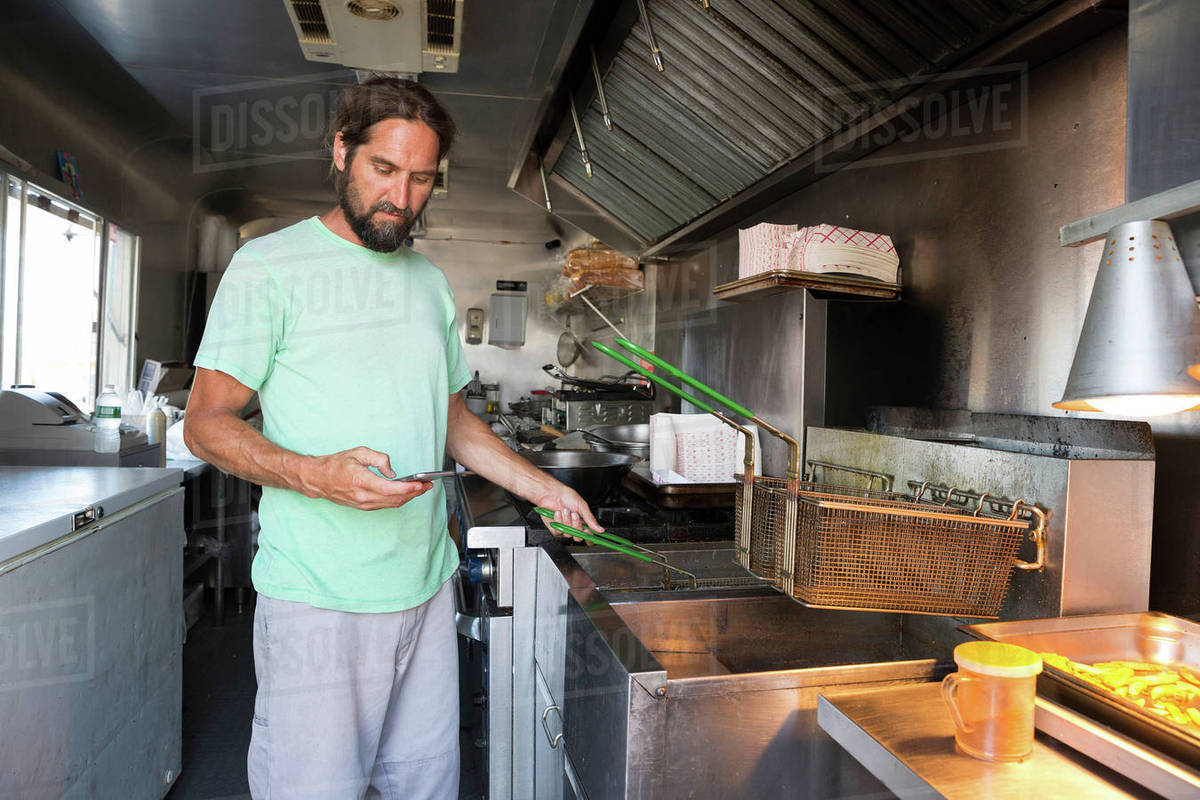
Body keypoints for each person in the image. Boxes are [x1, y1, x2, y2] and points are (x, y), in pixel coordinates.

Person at [183, 76, 601, 800]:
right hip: (319, 601)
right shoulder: (268, 267)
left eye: (421, 179)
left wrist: (545, 488)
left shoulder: (428, 283)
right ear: (341, 151)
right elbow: (205, 424)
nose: (401, 198)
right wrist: (317, 474)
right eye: (384, 169)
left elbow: (451, 420)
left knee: (424, 788)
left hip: (426, 590)